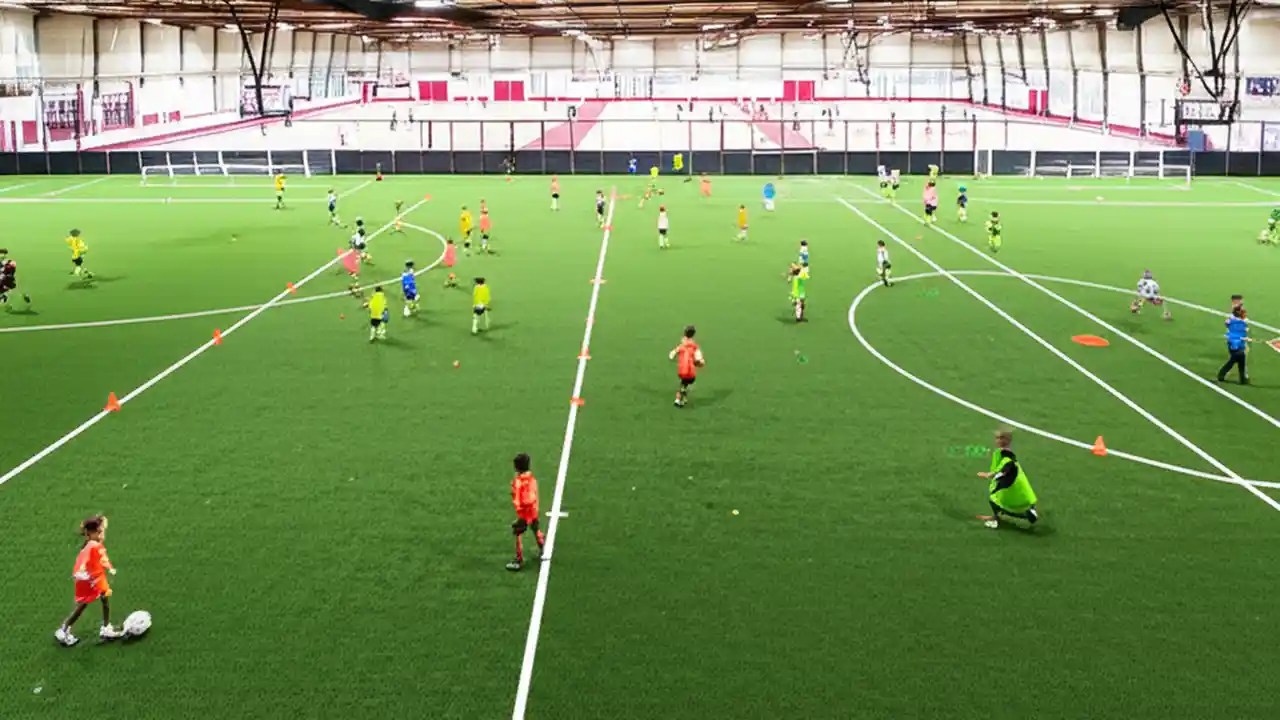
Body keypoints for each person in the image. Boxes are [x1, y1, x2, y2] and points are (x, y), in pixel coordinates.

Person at [55, 515, 123, 646]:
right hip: (89, 578)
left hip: (94, 576)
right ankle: (63, 629)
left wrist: (108, 568)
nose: (102, 535)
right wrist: (107, 569)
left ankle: (106, 627)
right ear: (91, 533)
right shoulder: (92, 545)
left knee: (104, 597)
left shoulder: (94, 544)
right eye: (100, 532)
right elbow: (85, 560)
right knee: (84, 604)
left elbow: (100, 559)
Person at [976, 429, 1040, 530]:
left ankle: (1000, 519)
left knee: (995, 499)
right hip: (1014, 485)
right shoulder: (1002, 453)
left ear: (1007, 440)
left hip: (1010, 485)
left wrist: (988, 475)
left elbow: (1004, 470)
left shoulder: (1006, 456)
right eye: (996, 438)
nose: (997, 440)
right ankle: (1027, 513)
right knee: (997, 500)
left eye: (1000, 438)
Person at [506, 453, 545, 572]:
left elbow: (521, 498)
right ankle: (542, 545)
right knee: (535, 527)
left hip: (524, 512)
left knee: (517, 532)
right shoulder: (531, 478)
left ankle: (519, 559)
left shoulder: (519, 481)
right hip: (533, 510)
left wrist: (520, 509)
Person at [669, 324, 705, 408]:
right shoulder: (695, 347)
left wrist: (677, 360)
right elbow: (700, 360)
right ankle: (680, 399)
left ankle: (680, 399)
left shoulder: (681, 346)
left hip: (682, 371)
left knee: (683, 383)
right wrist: (698, 364)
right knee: (685, 384)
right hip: (691, 373)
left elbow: (671, 355)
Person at [1218, 305, 1252, 384]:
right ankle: (1222, 375)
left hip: (1239, 343)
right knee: (1236, 359)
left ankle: (1241, 379)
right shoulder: (1234, 321)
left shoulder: (1238, 321)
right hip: (1234, 343)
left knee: (1239, 360)